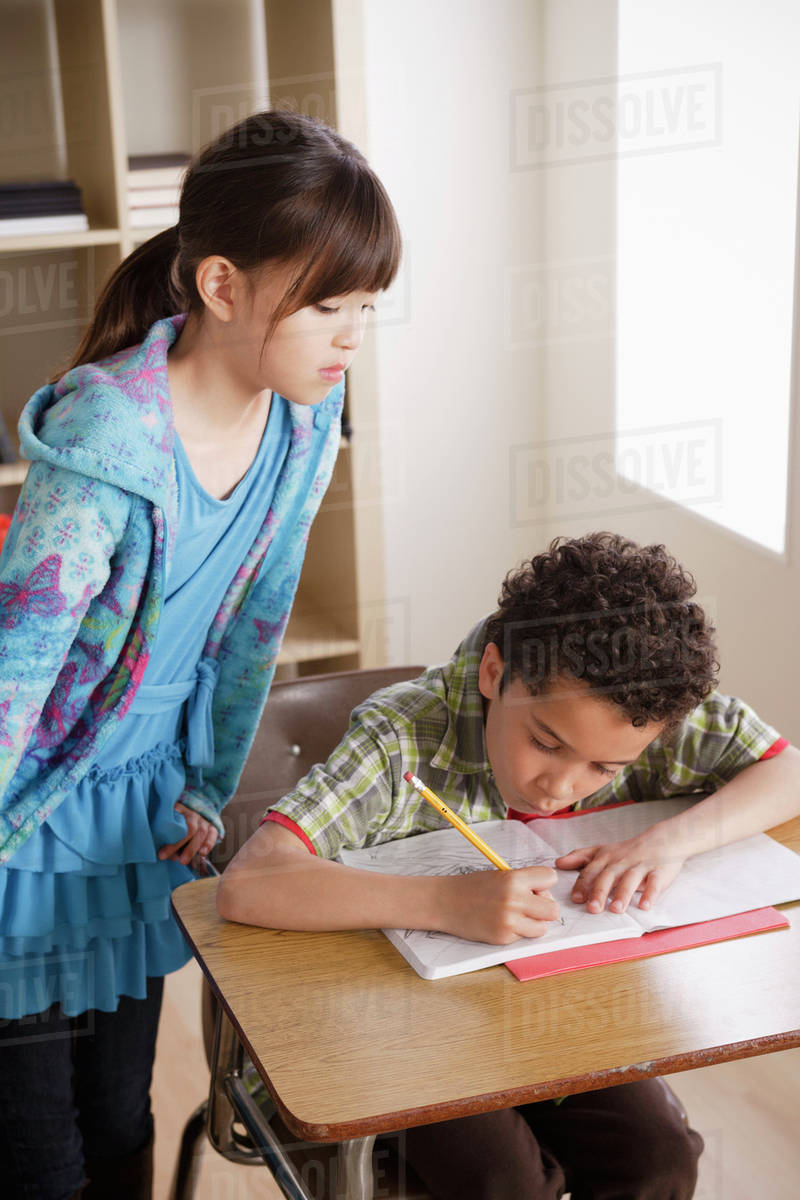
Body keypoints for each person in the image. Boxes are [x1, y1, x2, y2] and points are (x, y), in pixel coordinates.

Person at [0, 109, 401, 1199]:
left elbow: (252, 631)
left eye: (366, 305)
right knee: (37, 1157)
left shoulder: (305, 420)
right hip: (26, 819)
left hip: (142, 812)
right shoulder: (108, 435)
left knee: (121, 1115)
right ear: (222, 286)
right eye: (328, 303)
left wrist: (207, 792)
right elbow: (16, 668)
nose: (351, 334)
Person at [218, 531, 800, 1200]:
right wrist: (446, 903)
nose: (561, 785)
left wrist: (668, 842)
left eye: (604, 768)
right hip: (397, 1028)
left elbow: (788, 771)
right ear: (494, 672)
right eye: (545, 742)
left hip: (559, 1018)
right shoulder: (402, 736)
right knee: (506, 1184)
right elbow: (252, 883)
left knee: (660, 1161)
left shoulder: (645, 712)